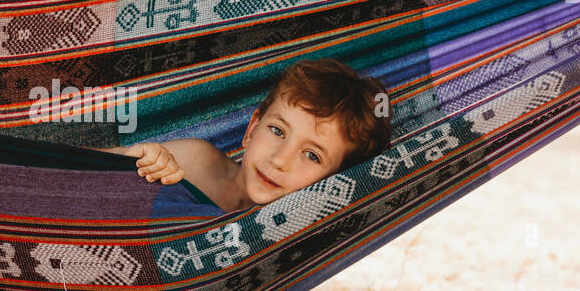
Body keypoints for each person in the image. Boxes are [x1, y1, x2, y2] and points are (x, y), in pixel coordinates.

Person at [107, 58, 393, 212]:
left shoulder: (299, 236)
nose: (280, 159)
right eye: (277, 130)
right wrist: (129, 158)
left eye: (312, 155)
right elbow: (77, 167)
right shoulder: (197, 160)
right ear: (252, 129)